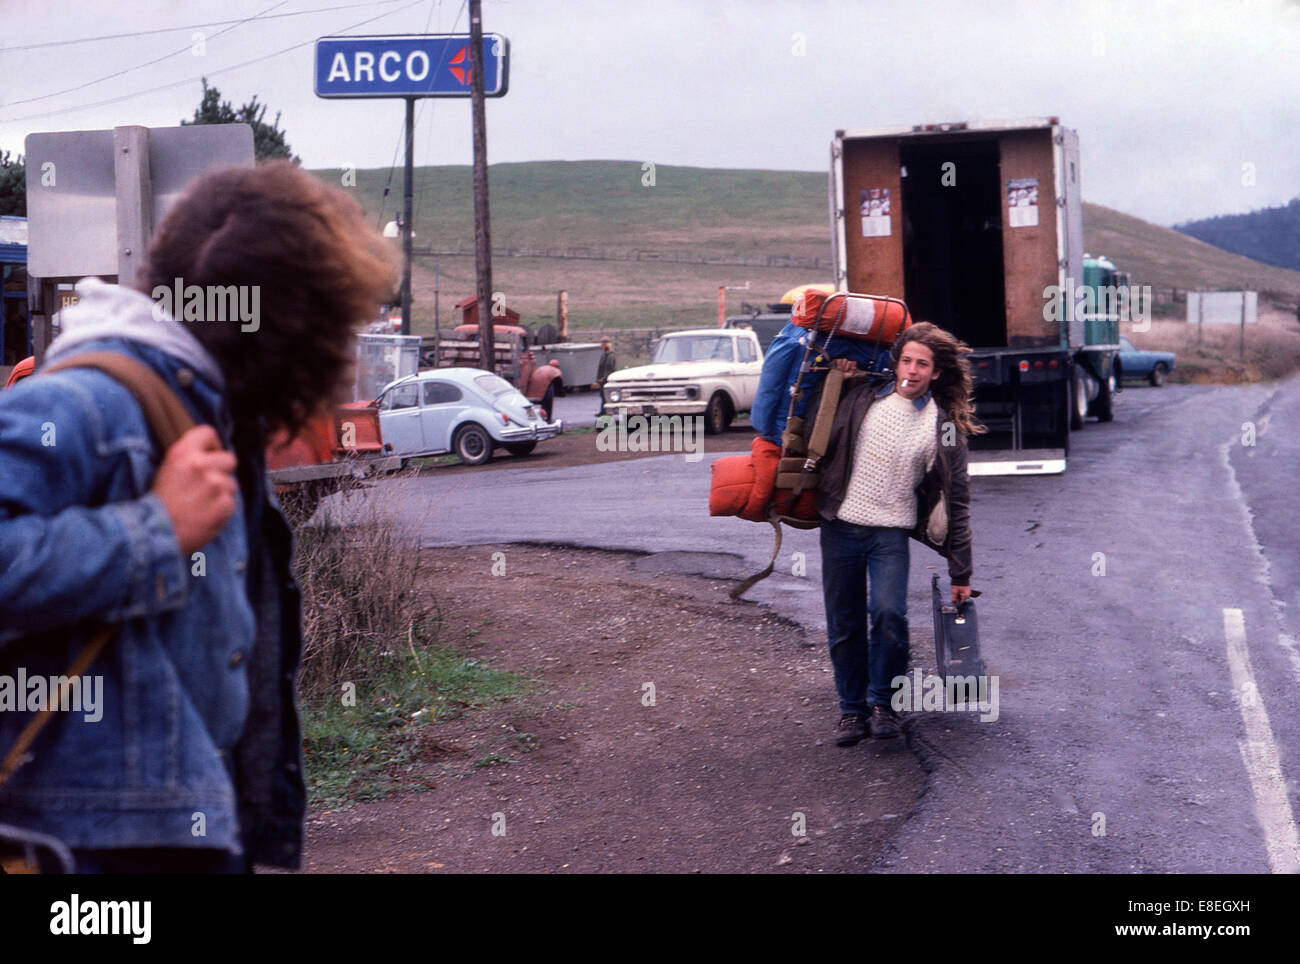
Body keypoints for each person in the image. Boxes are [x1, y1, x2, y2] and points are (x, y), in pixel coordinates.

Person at [0, 161, 395, 872]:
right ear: (286, 331)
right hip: (84, 853)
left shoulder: (207, 413)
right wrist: (154, 530)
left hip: (177, 840)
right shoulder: (91, 405)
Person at [810, 322, 981, 746]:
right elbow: (814, 414)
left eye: (922, 363)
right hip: (840, 527)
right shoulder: (862, 394)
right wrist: (836, 373)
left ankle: (883, 703)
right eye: (906, 360)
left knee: (889, 615)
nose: (913, 369)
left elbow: (956, 502)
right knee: (845, 622)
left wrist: (961, 574)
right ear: (896, 362)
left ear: (936, 373)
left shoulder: (942, 426)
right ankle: (852, 712)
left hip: (889, 535)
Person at [595, 337, 616, 416]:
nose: (601, 345)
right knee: (602, 395)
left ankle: (606, 411)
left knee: (606, 396)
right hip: (602, 379)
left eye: (602, 343)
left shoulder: (610, 356)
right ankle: (602, 411)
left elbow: (609, 368)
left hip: (607, 379)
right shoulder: (603, 355)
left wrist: (604, 378)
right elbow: (600, 368)